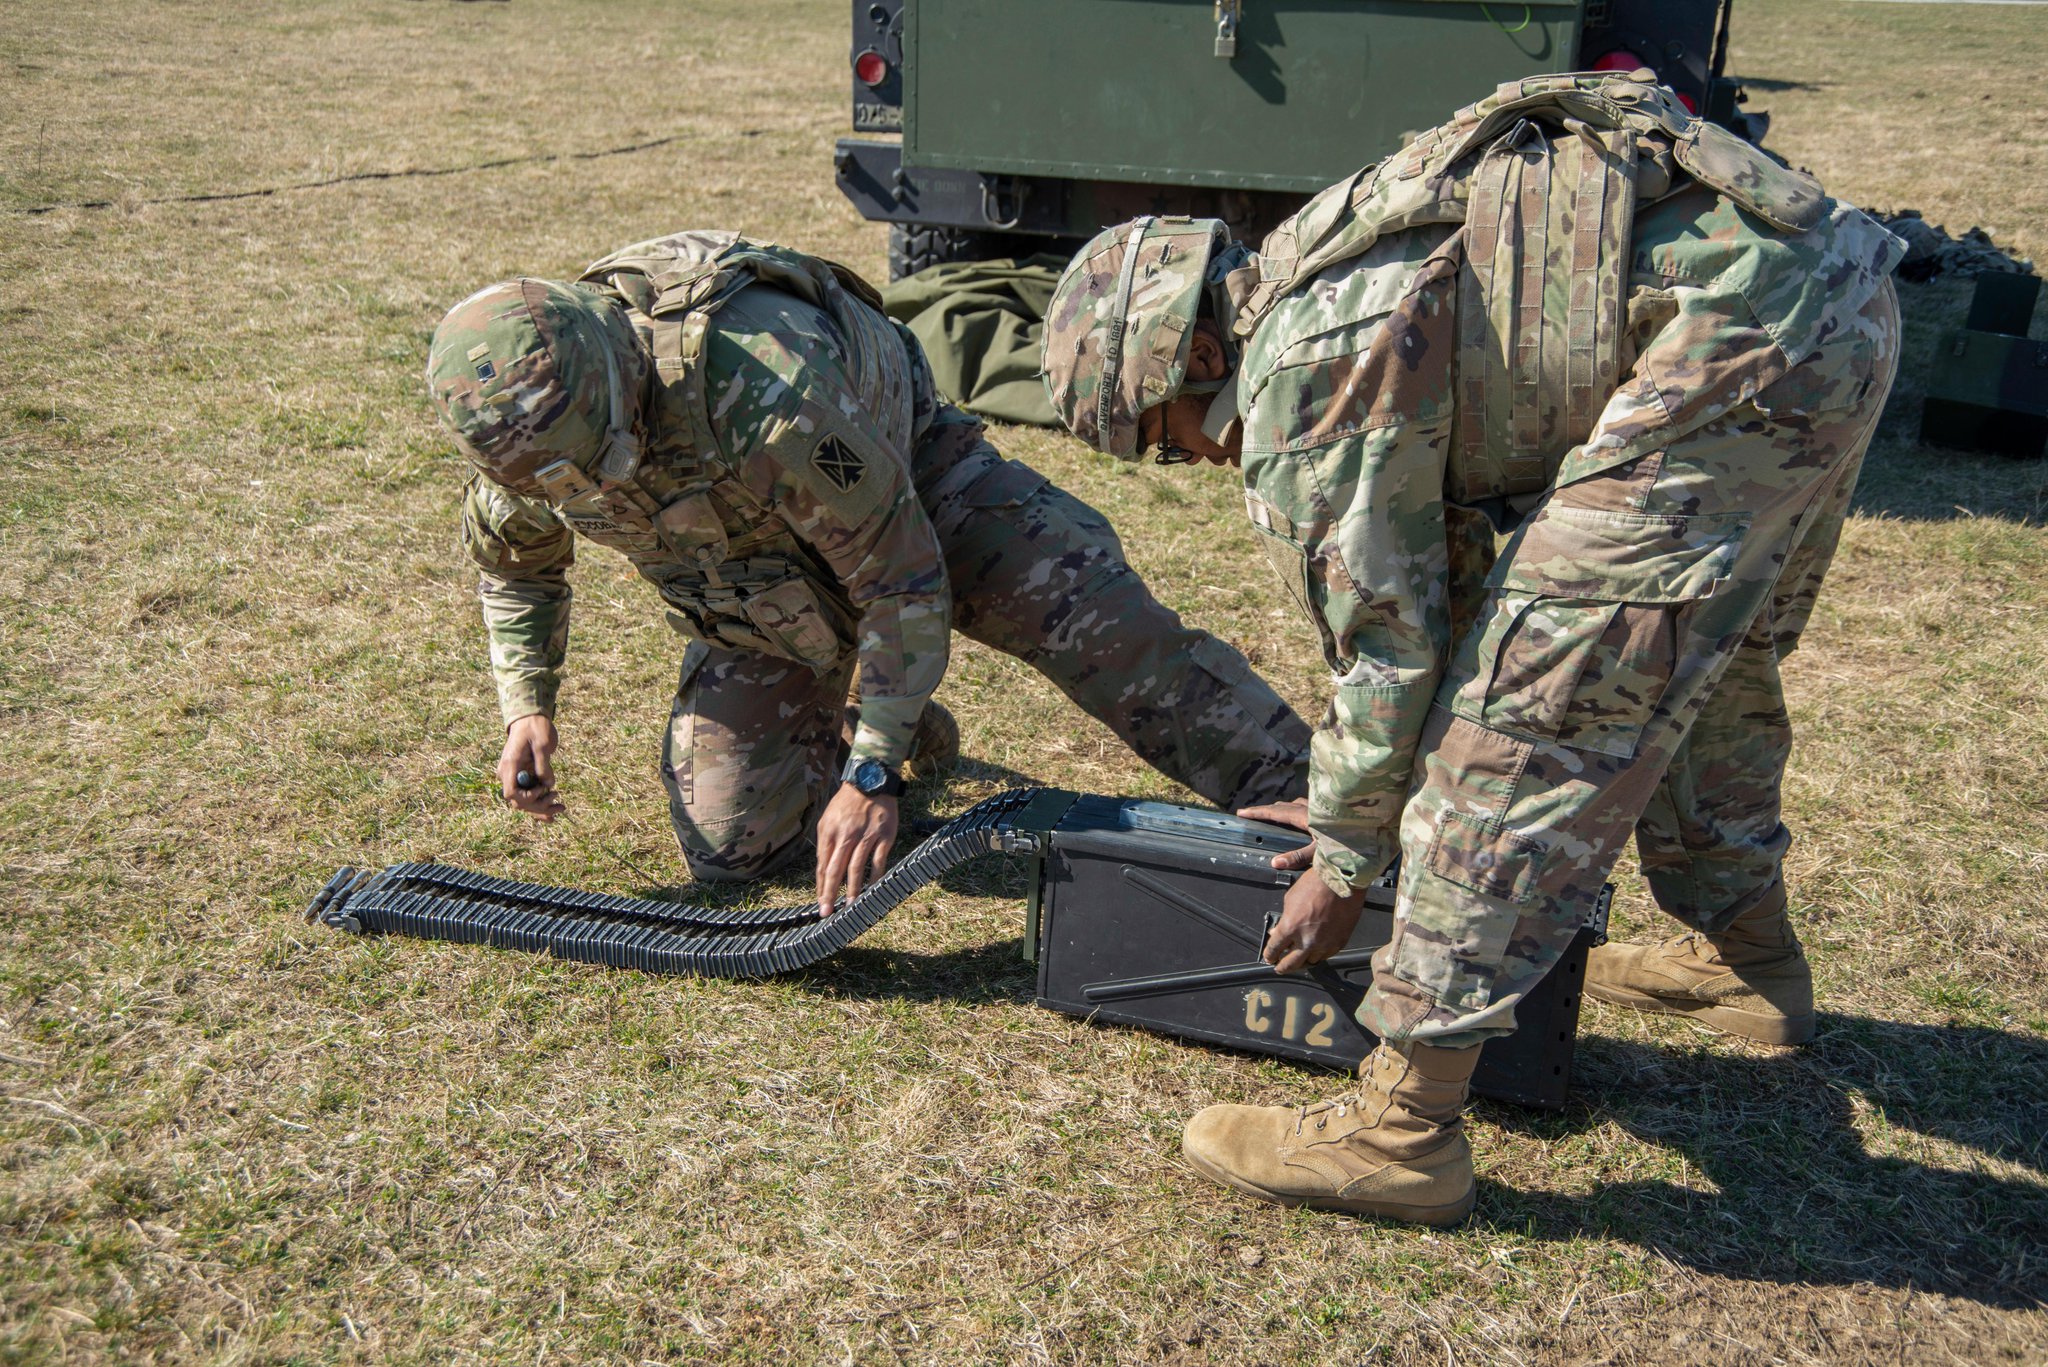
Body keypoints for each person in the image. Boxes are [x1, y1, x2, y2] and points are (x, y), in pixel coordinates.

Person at [1041, 71, 1902, 1226]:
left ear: (1196, 355)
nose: (1191, 461)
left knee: (1527, 715)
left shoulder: (1296, 375)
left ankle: (1402, 1126)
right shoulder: (1321, 268)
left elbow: (1389, 649)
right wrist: (1356, 808)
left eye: (1162, 438)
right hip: (1825, 297)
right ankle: (1747, 965)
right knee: (1686, 663)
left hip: (1731, 341)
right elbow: (1436, 589)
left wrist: (1344, 857)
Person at [424, 231, 1310, 915]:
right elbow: (517, 566)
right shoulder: (529, 441)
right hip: (764, 585)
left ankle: (1316, 799)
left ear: (620, 383)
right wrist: (526, 705)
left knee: (1097, 625)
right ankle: (875, 717)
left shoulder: (761, 385)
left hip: (912, 484)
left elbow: (901, 576)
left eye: (606, 463)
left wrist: (876, 775)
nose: (591, 488)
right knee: (737, 847)